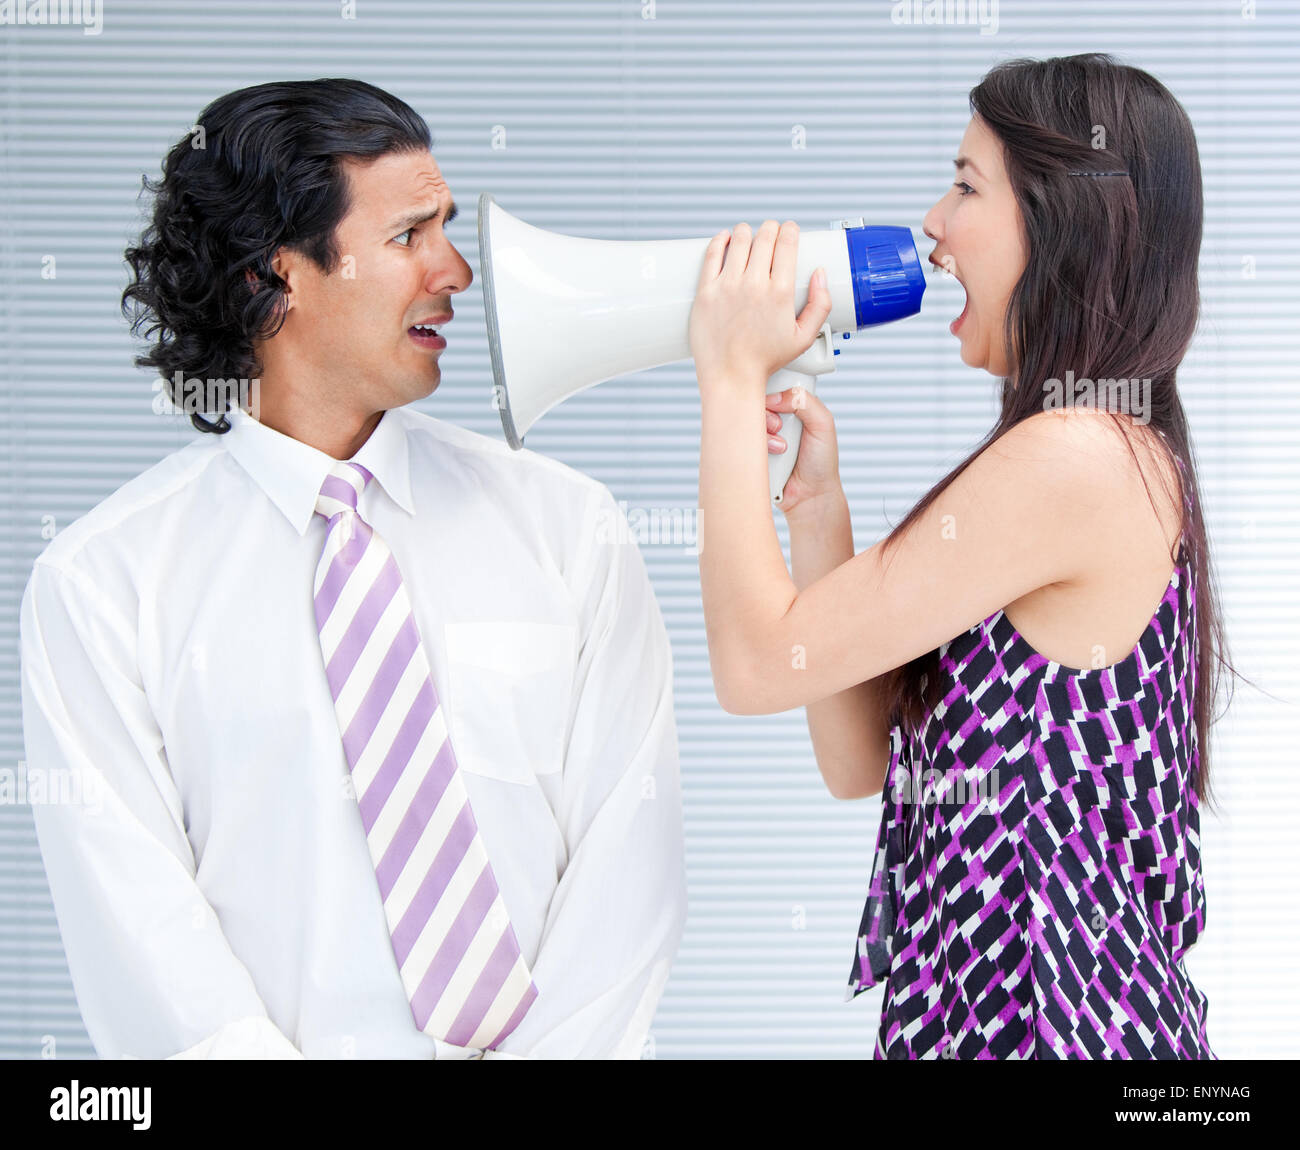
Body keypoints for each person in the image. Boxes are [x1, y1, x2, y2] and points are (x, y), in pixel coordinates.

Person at [19, 78, 686, 1060]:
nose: (457, 270)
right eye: (410, 235)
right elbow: (143, 948)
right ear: (272, 274)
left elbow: (629, 880)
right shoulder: (102, 587)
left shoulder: (570, 531)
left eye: (447, 228)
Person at [686, 53, 1237, 1058]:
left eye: (966, 185)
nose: (932, 226)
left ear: (1066, 215)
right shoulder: (1094, 449)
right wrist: (817, 515)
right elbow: (860, 763)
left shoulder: (1076, 454)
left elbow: (755, 665)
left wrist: (728, 378)